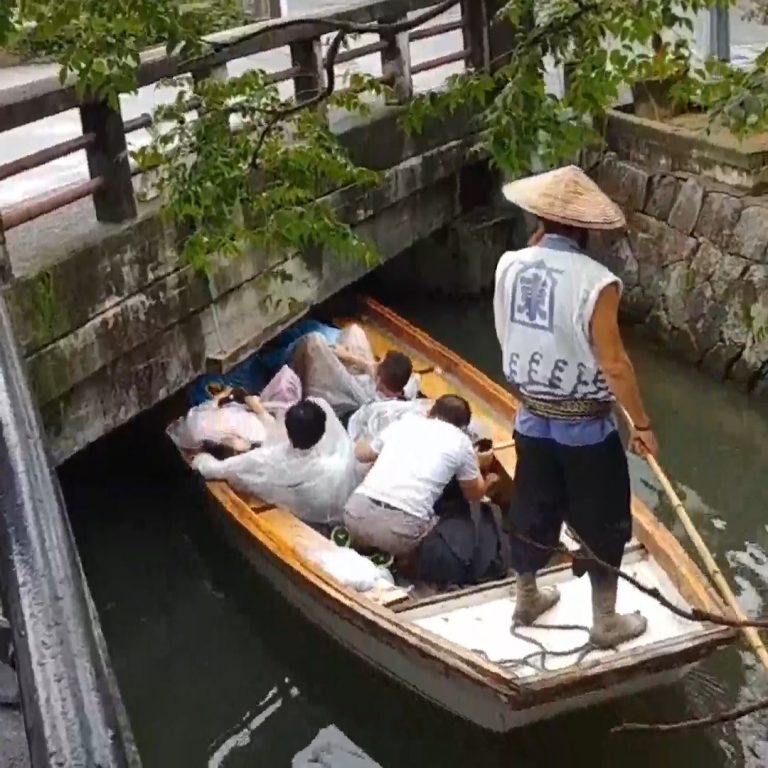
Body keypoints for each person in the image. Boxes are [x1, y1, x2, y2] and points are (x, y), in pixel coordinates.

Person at [494, 165, 659, 648]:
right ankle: (604, 620)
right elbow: (614, 363)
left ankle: (526, 595)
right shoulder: (597, 281)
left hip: (530, 415)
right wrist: (642, 424)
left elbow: (509, 332)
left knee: (533, 505)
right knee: (601, 515)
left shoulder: (509, 264)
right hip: (584, 425)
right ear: (586, 229)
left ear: (541, 221)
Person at [344, 394, 494, 560]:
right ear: (464, 427)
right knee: (447, 518)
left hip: (354, 514)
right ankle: (405, 562)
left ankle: (364, 542)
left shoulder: (405, 423)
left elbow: (363, 455)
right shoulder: (462, 442)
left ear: (430, 412)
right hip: (399, 533)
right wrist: (480, 466)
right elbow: (474, 494)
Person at [192, 397, 357, 531]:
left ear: (289, 431)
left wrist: (200, 459)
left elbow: (216, 469)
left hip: (294, 507)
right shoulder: (338, 450)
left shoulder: (267, 458)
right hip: (320, 511)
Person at [289, 323, 415, 421]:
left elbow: (350, 380)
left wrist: (344, 356)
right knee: (355, 331)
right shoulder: (401, 391)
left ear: (380, 382)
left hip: (344, 393)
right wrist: (356, 360)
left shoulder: (372, 402)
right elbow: (415, 380)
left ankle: (289, 369)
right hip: (362, 379)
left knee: (314, 341)